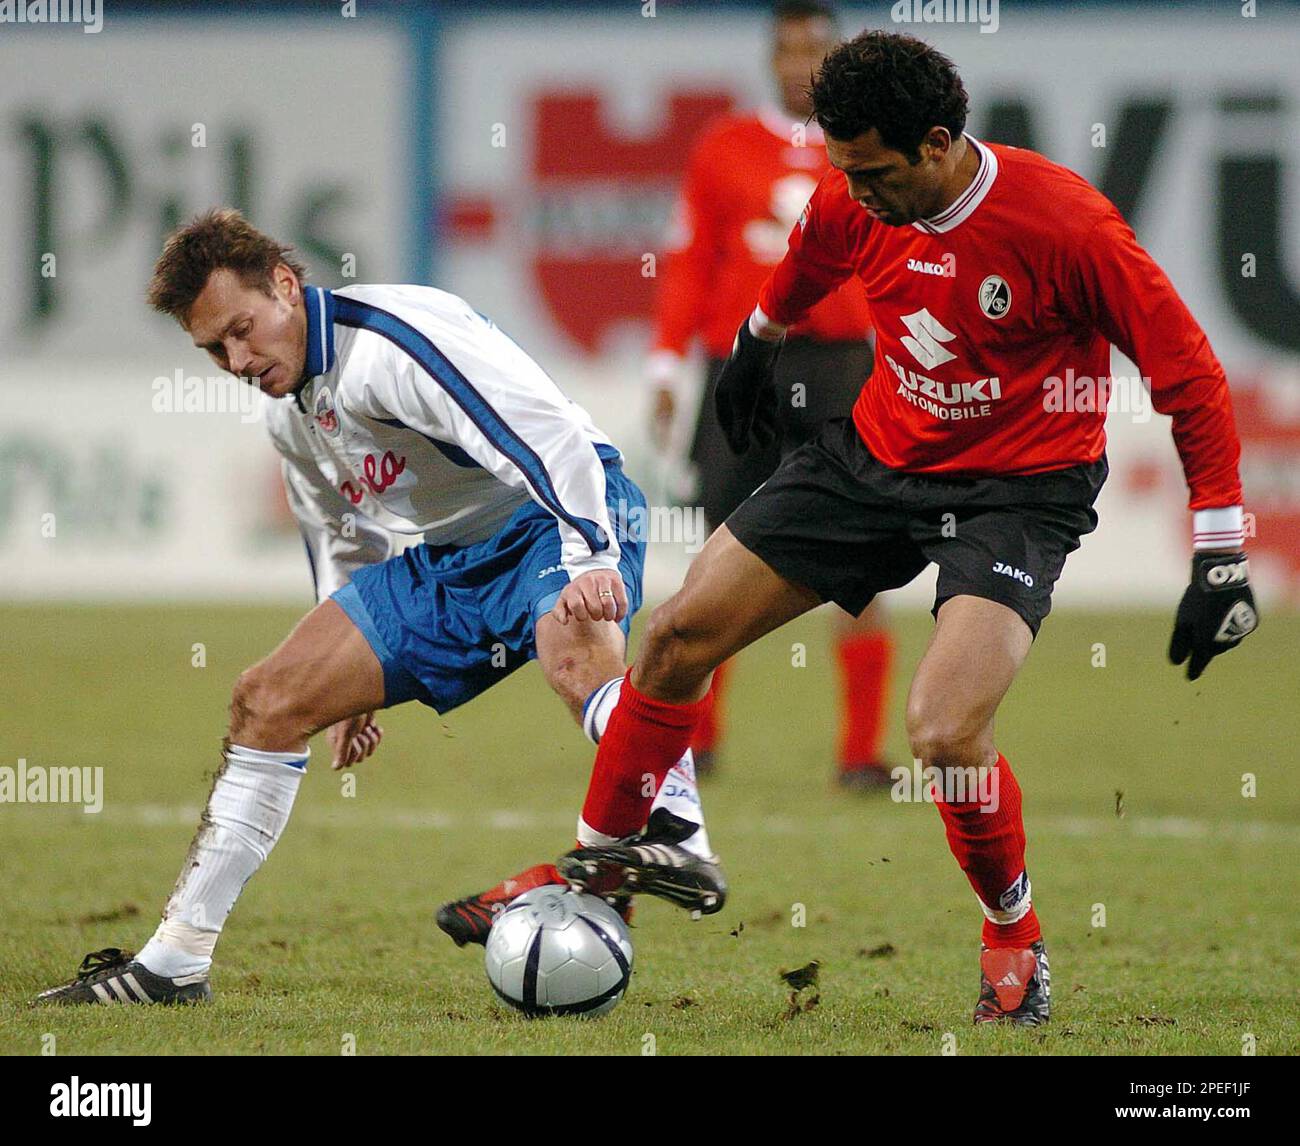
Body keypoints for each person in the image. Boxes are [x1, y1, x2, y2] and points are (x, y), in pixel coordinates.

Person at [557, 31, 1258, 1025]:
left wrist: (1220, 550)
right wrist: (758, 339)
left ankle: (1010, 929)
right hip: (875, 458)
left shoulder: (1065, 224)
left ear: (938, 142)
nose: (857, 192)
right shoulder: (854, 195)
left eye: (876, 172)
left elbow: (1187, 373)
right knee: (672, 639)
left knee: (942, 730)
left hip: (1017, 492)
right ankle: (596, 879)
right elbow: (809, 249)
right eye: (844, 171)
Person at [35, 208, 722, 1006]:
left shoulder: (393, 345)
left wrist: (592, 551)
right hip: (451, 561)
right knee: (267, 700)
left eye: (242, 329)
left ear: (286, 286)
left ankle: (679, 837)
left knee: (577, 665)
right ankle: (174, 963)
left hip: (552, 511)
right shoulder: (288, 410)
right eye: (213, 349)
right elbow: (341, 533)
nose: (235, 358)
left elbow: (544, 434)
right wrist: (349, 681)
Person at [648, 0, 895, 786]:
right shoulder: (724, 145)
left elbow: (901, 260)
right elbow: (690, 258)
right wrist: (664, 362)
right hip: (743, 365)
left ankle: (858, 755)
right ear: (770, 58)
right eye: (787, 50)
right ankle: (696, 741)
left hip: (840, 366)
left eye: (814, 50)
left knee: (860, 552)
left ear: (835, 58)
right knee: (722, 548)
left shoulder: (867, 147)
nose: (800, 65)